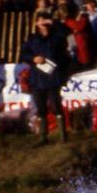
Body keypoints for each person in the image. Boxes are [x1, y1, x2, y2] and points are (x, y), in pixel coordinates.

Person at [19, 10, 69, 143]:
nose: (43, 24)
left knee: (56, 106)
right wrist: (33, 58)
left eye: (45, 21)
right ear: (36, 23)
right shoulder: (32, 39)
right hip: (37, 78)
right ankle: (43, 136)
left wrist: (52, 21)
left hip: (53, 77)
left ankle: (63, 135)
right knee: (40, 108)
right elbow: (23, 54)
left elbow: (66, 31)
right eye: (41, 22)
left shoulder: (56, 36)